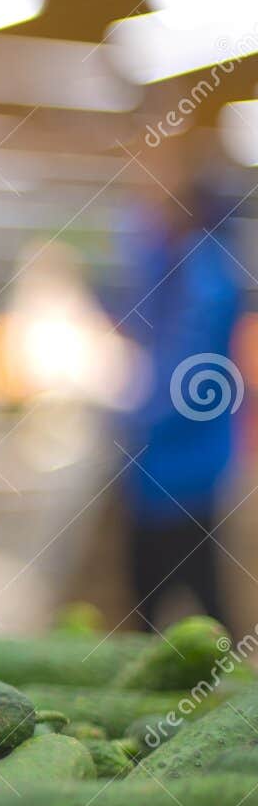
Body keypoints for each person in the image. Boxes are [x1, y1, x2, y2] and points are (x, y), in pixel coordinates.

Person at [117, 132, 242, 630]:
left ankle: (231, 694)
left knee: (188, 593)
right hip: (162, 462)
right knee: (162, 592)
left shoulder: (206, 278)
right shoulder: (169, 266)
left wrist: (127, 404)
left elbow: (183, 373)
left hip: (183, 463)